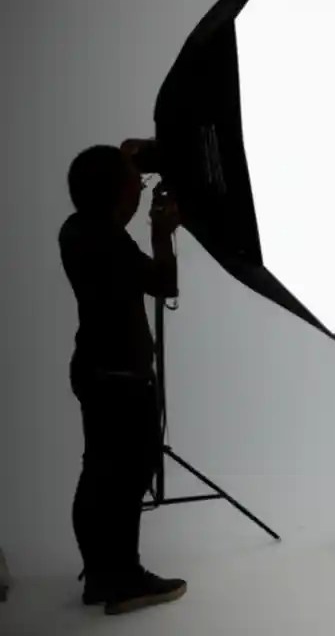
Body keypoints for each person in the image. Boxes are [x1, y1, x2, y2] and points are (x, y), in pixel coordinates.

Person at [57, 142, 187, 615]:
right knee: (129, 476)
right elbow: (163, 283)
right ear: (115, 193)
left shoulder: (77, 230)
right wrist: (161, 233)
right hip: (121, 377)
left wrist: (126, 163)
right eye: (134, 184)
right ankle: (125, 580)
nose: (139, 191)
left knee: (99, 472)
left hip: (95, 370)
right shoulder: (109, 240)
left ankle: (99, 575)